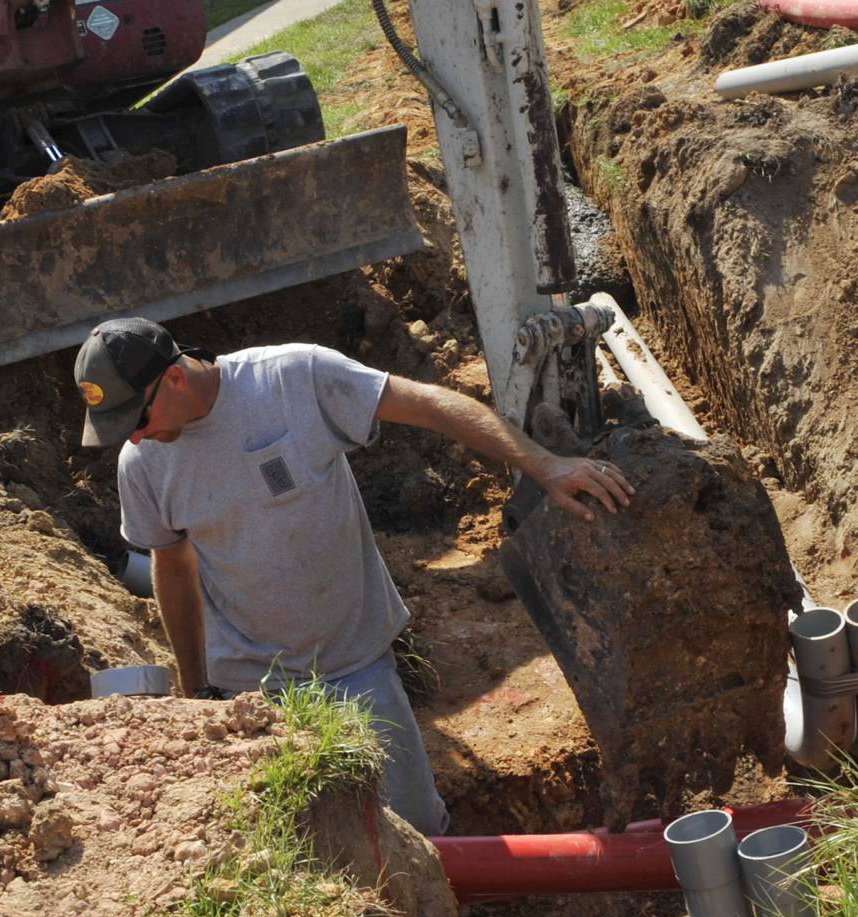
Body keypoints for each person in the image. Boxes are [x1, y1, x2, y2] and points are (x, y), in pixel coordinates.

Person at [72, 317, 632, 836]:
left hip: (353, 663)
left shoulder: (294, 379)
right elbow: (171, 565)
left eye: (137, 420)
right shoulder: (141, 464)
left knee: (415, 830)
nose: (135, 438)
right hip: (252, 689)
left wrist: (543, 465)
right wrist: (198, 691)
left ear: (174, 378)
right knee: (304, 852)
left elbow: (432, 405)